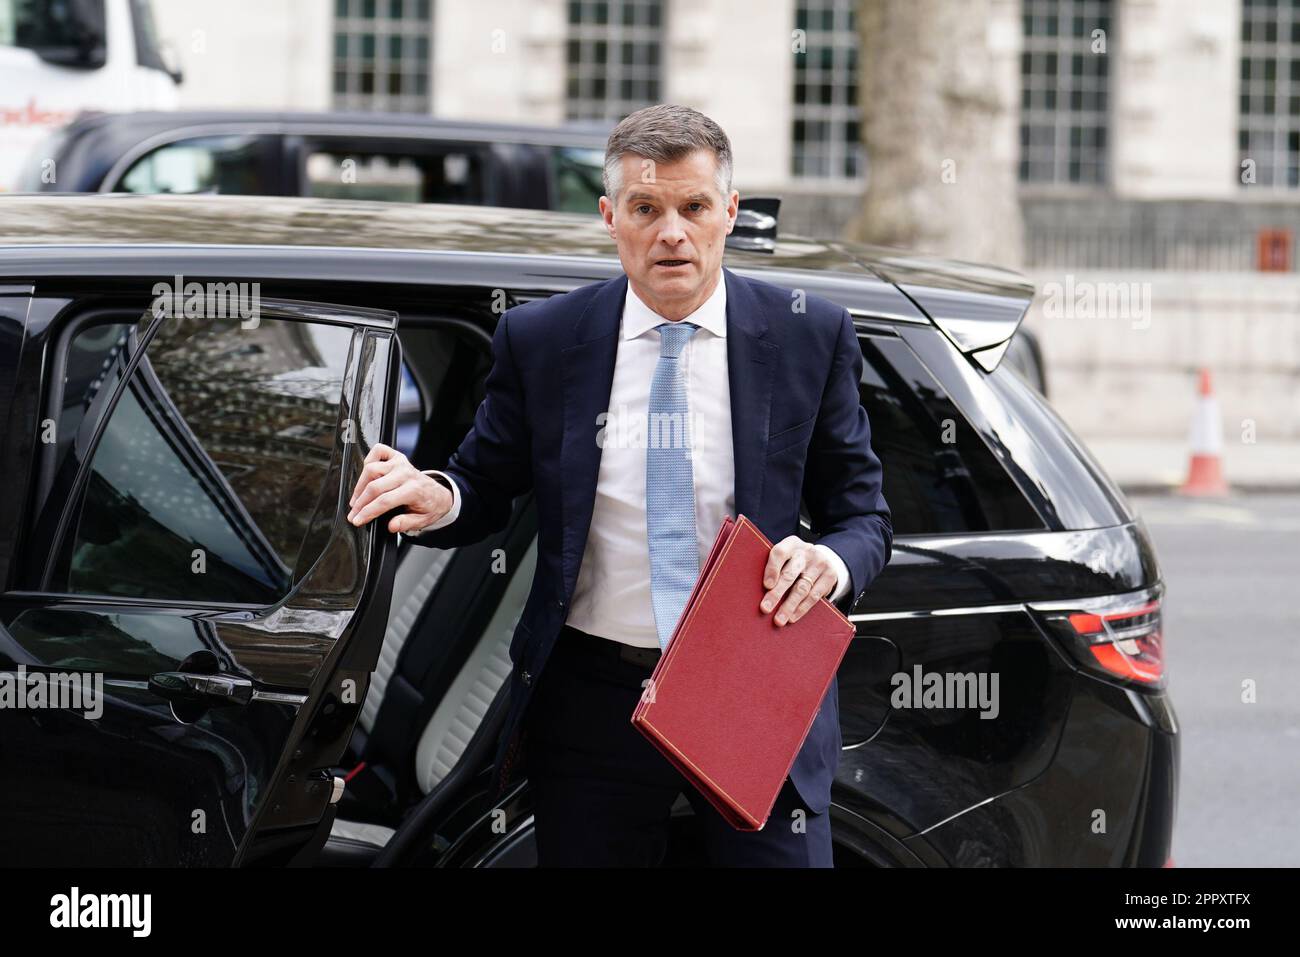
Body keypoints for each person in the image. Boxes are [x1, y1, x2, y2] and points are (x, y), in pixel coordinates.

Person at [346, 103, 892, 867]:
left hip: (751, 686)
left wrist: (828, 565)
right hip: (594, 698)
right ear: (610, 216)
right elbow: (483, 481)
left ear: (728, 212)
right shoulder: (544, 340)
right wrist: (438, 495)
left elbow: (863, 517)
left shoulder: (809, 334)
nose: (672, 232)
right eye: (646, 208)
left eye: (694, 206)